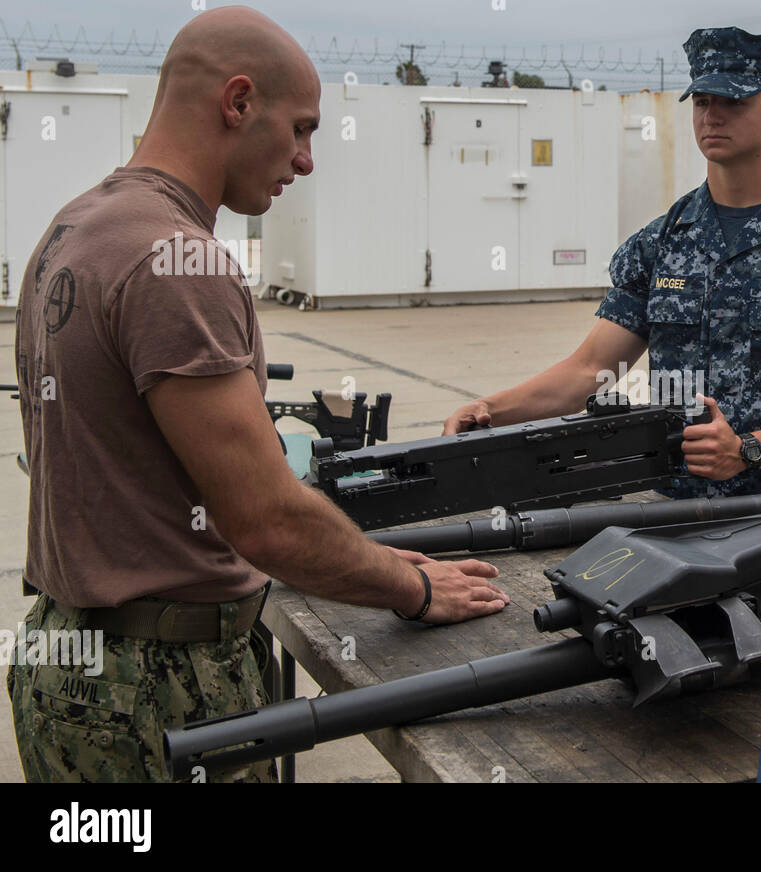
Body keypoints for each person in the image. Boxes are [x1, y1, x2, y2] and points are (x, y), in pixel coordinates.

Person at [8, 6, 508, 783]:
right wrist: (409, 586)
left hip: (69, 669)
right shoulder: (180, 262)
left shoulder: (73, 228)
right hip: (163, 690)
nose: (306, 161)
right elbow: (266, 521)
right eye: (301, 129)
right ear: (238, 103)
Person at [444, 27, 761, 506]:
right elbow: (591, 369)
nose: (712, 116)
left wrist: (750, 449)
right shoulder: (661, 242)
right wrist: (490, 409)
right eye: (702, 101)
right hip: (674, 511)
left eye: (734, 102)